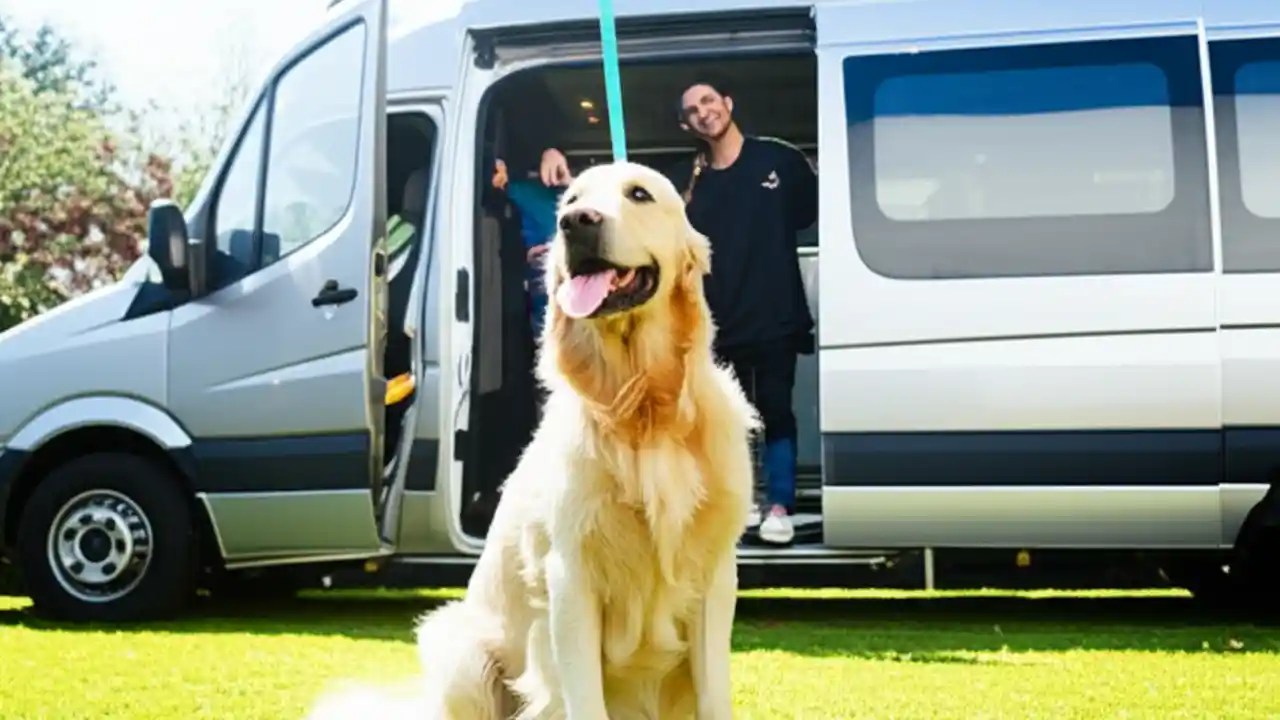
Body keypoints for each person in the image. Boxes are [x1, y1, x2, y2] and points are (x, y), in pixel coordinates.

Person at [536, 79, 817, 545]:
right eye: (692, 109)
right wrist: (551, 151)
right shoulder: (685, 182)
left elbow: (807, 213)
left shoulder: (779, 161)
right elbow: (622, 201)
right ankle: (739, 501)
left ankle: (778, 506)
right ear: (685, 124)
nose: (704, 111)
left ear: (728, 103)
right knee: (722, 413)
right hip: (715, 319)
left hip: (774, 312)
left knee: (775, 410)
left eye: (710, 100)